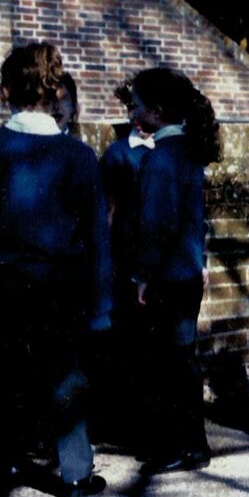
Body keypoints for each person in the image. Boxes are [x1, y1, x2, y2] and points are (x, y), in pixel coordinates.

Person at [0, 43, 111, 497]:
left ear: (7, 91)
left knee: (0, 374)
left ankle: (1, 464)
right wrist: (102, 307)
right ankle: (74, 475)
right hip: (59, 287)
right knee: (66, 378)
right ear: (53, 91)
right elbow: (97, 239)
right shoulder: (79, 156)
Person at [123, 68, 221, 474]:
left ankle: (176, 445)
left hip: (165, 275)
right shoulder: (187, 153)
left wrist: (142, 274)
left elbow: (155, 224)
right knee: (183, 360)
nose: (130, 110)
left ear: (157, 112)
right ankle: (193, 443)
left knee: (166, 364)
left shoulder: (160, 159)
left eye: (136, 104)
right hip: (186, 272)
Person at [92, 84, 159, 441]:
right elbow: (104, 211)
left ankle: (153, 423)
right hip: (126, 261)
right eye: (133, 107)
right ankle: (127, 423)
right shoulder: (117, 155)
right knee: (127, 343)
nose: (138, 115)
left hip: (161, 263)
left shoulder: (169, 151)